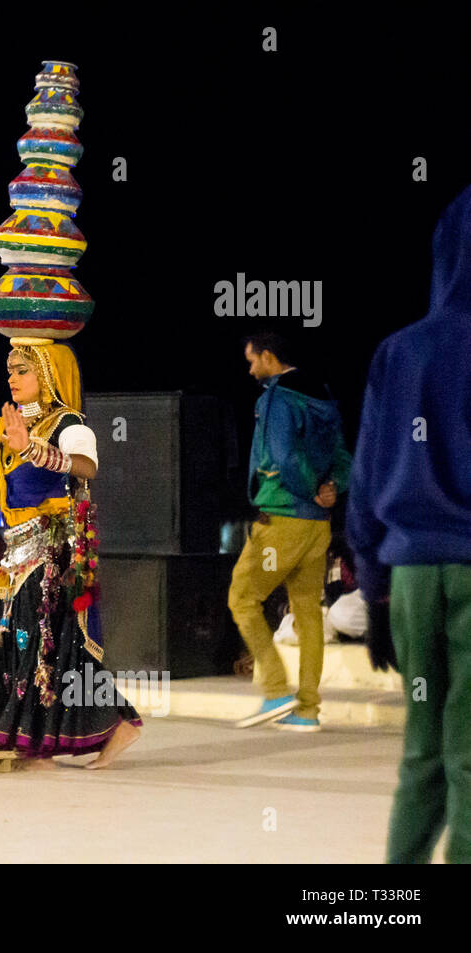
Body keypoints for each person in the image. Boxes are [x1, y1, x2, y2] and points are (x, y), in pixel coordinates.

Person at [0, 338, 142, 768]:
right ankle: (49, 740)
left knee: (44, 647)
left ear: (47, 376)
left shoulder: (70, 424)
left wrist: (31, 447)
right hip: (15, 553)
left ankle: (49, 744)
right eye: (9, 371)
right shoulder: (4, 425)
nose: (12, 379)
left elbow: (86, 466)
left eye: (22, 371)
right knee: (15, 646)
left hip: (54, 552)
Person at [347, 184, 471, 864]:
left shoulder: (400, 352)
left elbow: (366, 480)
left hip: (413, 576)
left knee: (423, 749)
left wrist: (373, 590)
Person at [228, 333, 353, 732]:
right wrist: (331, 487)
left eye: (253, 360)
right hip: (318, 526)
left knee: (242, 598)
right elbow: (343, 457)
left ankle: (277, 689)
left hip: (282, 518)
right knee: (308, 613)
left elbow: (283, 456)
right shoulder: (325, 397)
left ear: (269, 357)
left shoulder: (276, 399)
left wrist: (310, 489)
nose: (251, 370)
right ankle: (308, 710)